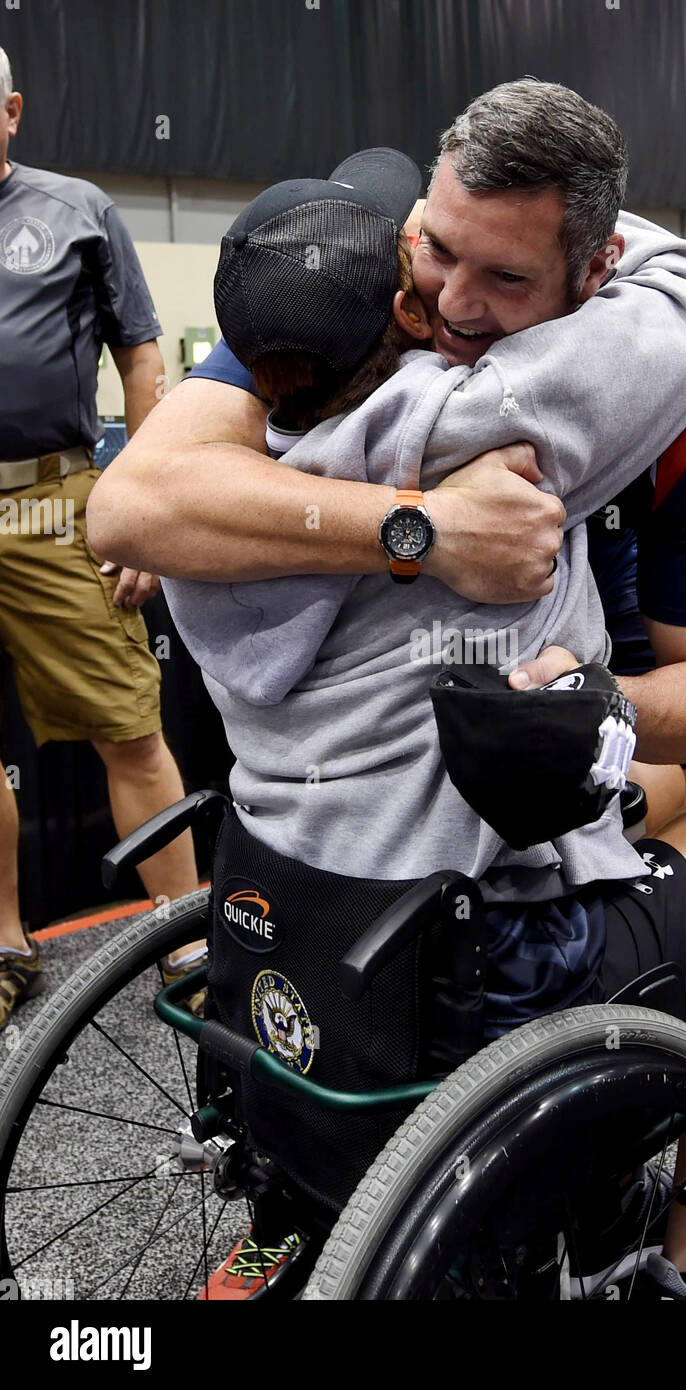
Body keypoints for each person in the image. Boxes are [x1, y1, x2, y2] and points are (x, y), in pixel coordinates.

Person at [91, 79, 686, 1280]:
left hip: (573, 702)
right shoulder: (349, 317)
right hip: (459, 897)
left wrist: (597, 704)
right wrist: (420, 526)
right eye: (434, 252)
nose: (449, 306)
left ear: (596, 277)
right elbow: (132, 505)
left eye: (507, 281)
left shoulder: (679, 419)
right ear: (401, 231)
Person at [0, 46, 200, 1031]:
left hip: (52, 501)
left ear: (11, 110)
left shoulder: (76, 208)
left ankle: (190, 950)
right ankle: (5, 950)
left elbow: (142, 353)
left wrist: (139, 496)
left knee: (129, 728)